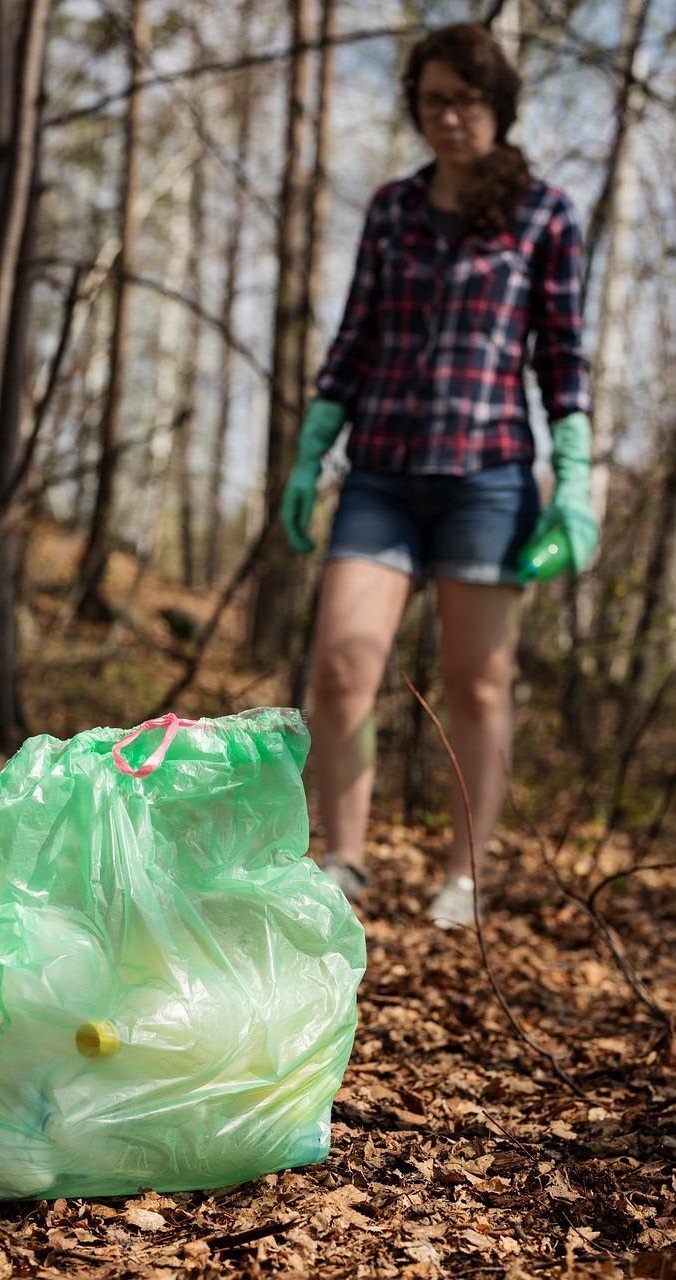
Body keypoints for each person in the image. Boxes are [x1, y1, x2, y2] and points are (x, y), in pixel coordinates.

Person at [281, 22, 599, 927]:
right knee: (341, 668)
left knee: (477, 683)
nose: (449, 116)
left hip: (487, 478)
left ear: (496, 105)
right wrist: (313, 448)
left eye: (466, 99)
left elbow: (564, 359)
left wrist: (573, 477)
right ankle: (342, 858)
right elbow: (355, 337)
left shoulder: (544, 213)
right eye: (432, 100)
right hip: (380, 471)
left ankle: (464, 877)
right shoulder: (391, 208)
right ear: (416, 108)